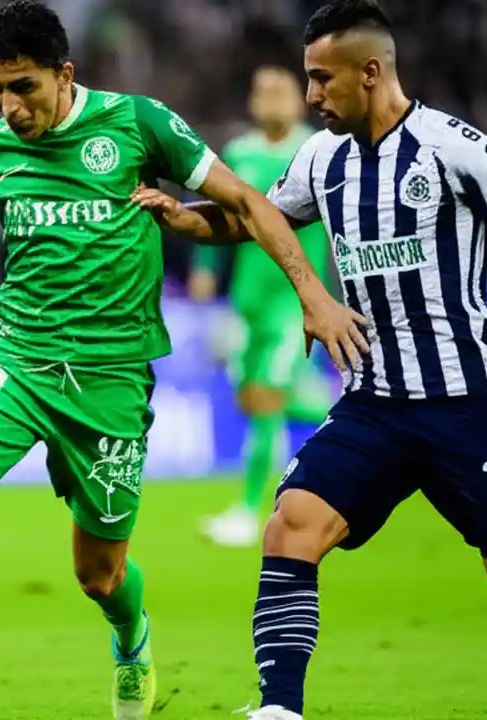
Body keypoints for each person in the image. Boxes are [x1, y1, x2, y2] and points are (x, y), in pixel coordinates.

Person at [0, 2, 367, 718]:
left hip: (111, 379)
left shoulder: (138, 124)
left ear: (64, 75)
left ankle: (131, 637)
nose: (10, 107)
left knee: (99, 576)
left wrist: (313, 295)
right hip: (17, 363)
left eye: (25, 87)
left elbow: (249, 204)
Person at [131, 1, 487, 717]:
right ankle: (280, 707)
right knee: (291, 524)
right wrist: (187, 221)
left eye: (322, 80)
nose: (311, 96)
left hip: (468, 401)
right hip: (375, 402)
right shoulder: (321, 160)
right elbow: (251, 220)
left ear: (372, 70)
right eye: (306, 79)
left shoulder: (457, 149)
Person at [190, 66, 334, 548]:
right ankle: (364, 422)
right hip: (248, 300)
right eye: (261, 91)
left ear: (300, 101)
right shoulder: (238, 152)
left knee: (269, 400)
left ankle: (251, 511)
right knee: (253, 400)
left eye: (279, 91)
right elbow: (218, 212)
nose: (269, 99)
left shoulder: (316, 150)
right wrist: (206, 266)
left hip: (290, 302)